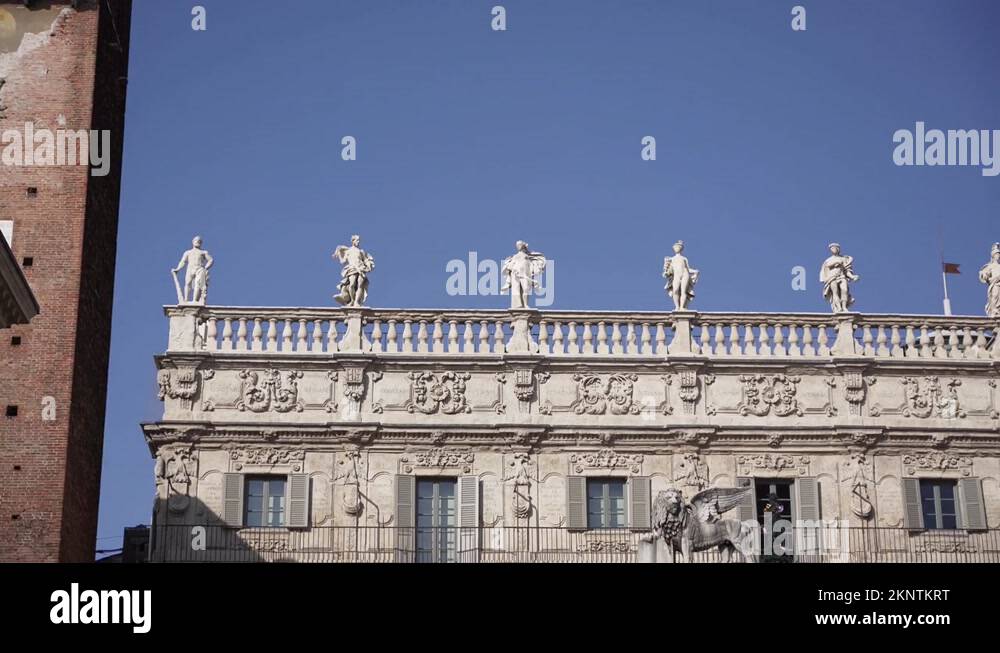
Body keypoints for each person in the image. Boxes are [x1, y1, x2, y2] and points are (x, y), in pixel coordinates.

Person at [332, 235, 375, 307]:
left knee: (360, 285)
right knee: (351, 285)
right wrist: (339, 254)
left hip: (361, 268)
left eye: (359, 241)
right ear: (353, 241)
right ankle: (352, 300)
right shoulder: (349, 251)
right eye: (357, 240)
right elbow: (343, 262)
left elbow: (365, 260)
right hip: (352, 268)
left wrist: (368, 265)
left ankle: (357, 302)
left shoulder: (361, 251)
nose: (358, 242)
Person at [172, 236, 213, 304]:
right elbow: (183, 262)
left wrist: (206, 268)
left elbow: (211, 260)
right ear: (193, 242)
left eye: (199, 241)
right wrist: (177, 269)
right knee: (188, 283)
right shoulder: (188, 252)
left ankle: (195, 301)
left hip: (199, 268)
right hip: (190, 268)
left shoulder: (203, 252)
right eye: (196, 240)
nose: (197, 242)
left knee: (198, 284)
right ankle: (186, 300)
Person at [820, 242, 859, 312]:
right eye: (831, 248)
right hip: (832, 277)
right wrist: (835, 263)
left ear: (838, 249)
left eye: (834, 248)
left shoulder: (843, 259)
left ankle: (844, 307)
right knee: (835, 292)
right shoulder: (828, 260)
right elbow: (826, 269)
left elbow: (847, 270)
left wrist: (852, 277)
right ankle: (838, 308)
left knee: (845, 291)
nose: (833, 249)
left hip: (842, 276)